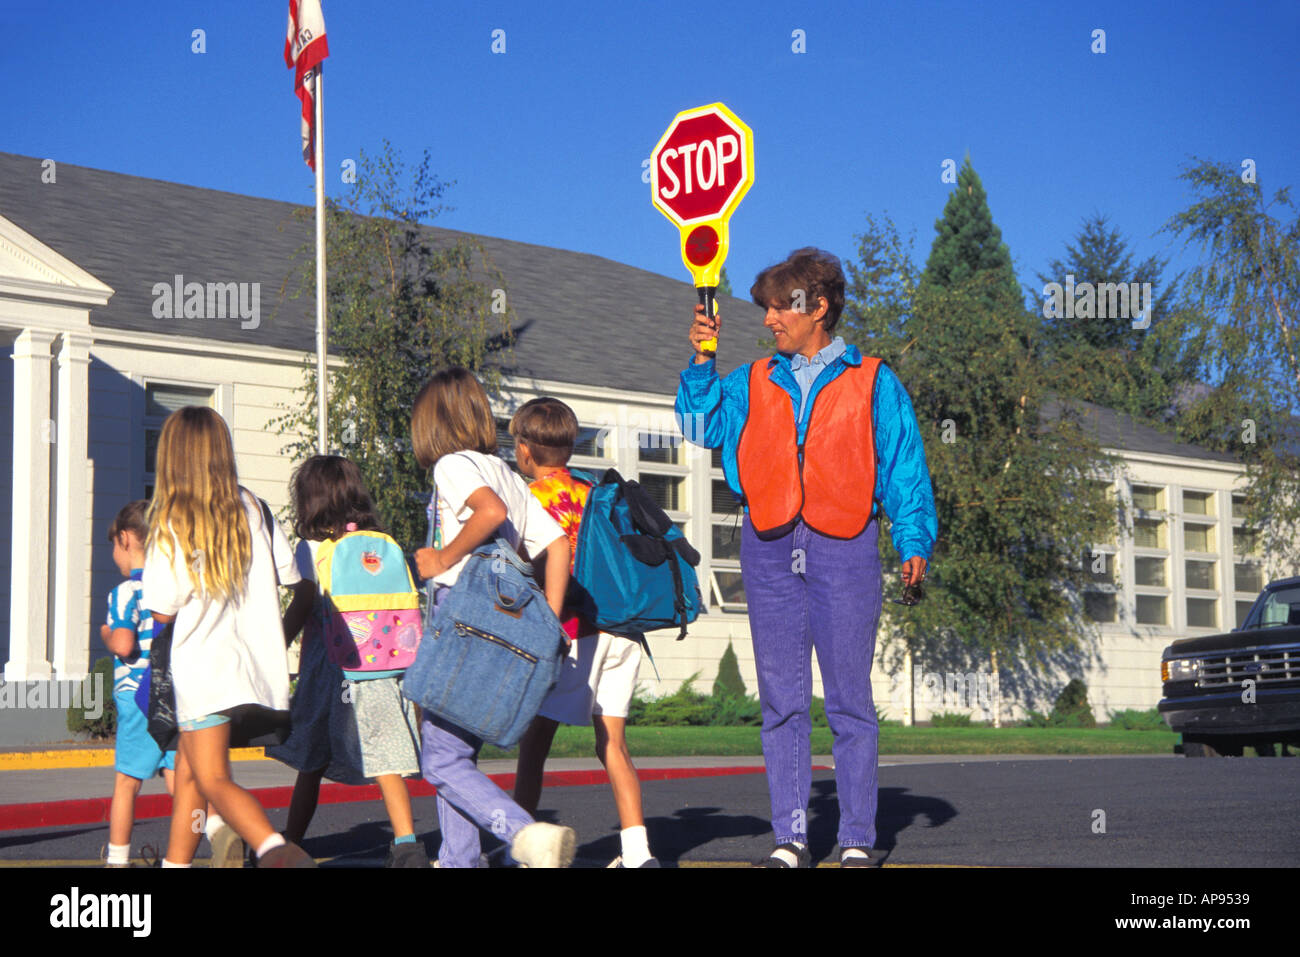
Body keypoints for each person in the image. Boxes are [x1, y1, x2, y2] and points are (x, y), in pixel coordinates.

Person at [675, 247, 937, 868]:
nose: (768, 318)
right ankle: (791, 836)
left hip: (843, 544)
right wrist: (702, 360)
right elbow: (696, 424)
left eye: (778, 307)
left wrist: (914, 540)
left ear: (818, 307)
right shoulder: (747, 379)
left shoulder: (873, 379)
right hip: (767, 545)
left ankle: (855, 838)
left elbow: (905, 467)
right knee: (781, 699)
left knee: (848, 698)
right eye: (764, 307)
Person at [410, 367, 577, 868]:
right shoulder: (503, 469)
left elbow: (486, 513)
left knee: (438, 758)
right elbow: (558, 545)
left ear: (433, 422)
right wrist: (547, 621)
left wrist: (442, 558)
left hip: (463, 621)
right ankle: (461, 859)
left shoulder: (453, 465)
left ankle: (526, 835)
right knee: (455, 755)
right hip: (502, 627)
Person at [141, 406, 317, 868]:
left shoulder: (172, 521)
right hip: (254, 670)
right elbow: (289, 575)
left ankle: (276, 850)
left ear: (172, 457)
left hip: (202, 672)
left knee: (213, 778)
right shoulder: (254, 507)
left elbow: (162, 608)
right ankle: (176, 865)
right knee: (193, 777)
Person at [507, 397, 659, 868]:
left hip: (573, 631)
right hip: (624, 630)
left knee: (534, 743)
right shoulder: (595, 492)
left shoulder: (529, 499)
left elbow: (523, 566)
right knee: (612, 743)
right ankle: (638, 853)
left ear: (526, 450)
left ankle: (522, 850)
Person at [267, 454, 429, 867]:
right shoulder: (377, 542)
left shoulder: (313, 549)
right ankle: (407, 841)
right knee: (385, 751)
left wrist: (275, 646)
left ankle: (292, 840)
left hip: (330, 667)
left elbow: (303, 605)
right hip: (379, 664)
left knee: (312, 758)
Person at [100, 501, 176, 867]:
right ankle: (215, 833)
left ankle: (117, 859)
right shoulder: (173, 586)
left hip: (136, 696)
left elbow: (123, 644)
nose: (114, 554)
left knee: (127, 783)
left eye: (113, 545)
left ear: (126, 539)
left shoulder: (125, 592)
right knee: (182, 783)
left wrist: (106, 632)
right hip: (172, 695)